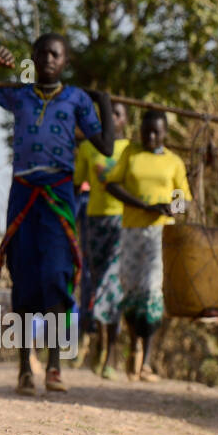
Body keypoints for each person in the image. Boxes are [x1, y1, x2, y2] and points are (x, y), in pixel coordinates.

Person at [0, 35, 115, 395]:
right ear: (34, 58)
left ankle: (54, 366)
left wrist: (102, 103)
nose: (48, 59)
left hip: (58, 193)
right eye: (42, 53)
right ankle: (25, 368)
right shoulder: (18, 95)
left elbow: (106, 146)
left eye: (55, 54)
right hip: (23, 193)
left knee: (57, 276)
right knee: (23, 276)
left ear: (64, 61)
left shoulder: (77, 100)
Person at [93, 109, 191, 381]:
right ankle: (134, 344)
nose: (150, 136)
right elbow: (111, 185)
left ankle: (146, 361)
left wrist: (173, 206)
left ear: (165, 134)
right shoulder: (130, 154)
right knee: (131, 291)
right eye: (146, 131)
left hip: (160, 234)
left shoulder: (174, 162)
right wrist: (144, 205)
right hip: (131, 231)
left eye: (156, 132)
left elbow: (186, 199)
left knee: (151, 291)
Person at [73, 101, 130, 372]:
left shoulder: (130, 150)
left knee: (113, 281)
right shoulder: (86, 148)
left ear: (124, 121)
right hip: (94, 220)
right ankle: (98, 343)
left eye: (116, 115)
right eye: (106, 115)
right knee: (95, 280)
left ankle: (110, 351)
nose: (110, 120)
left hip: (124, 221)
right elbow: (77, 186)